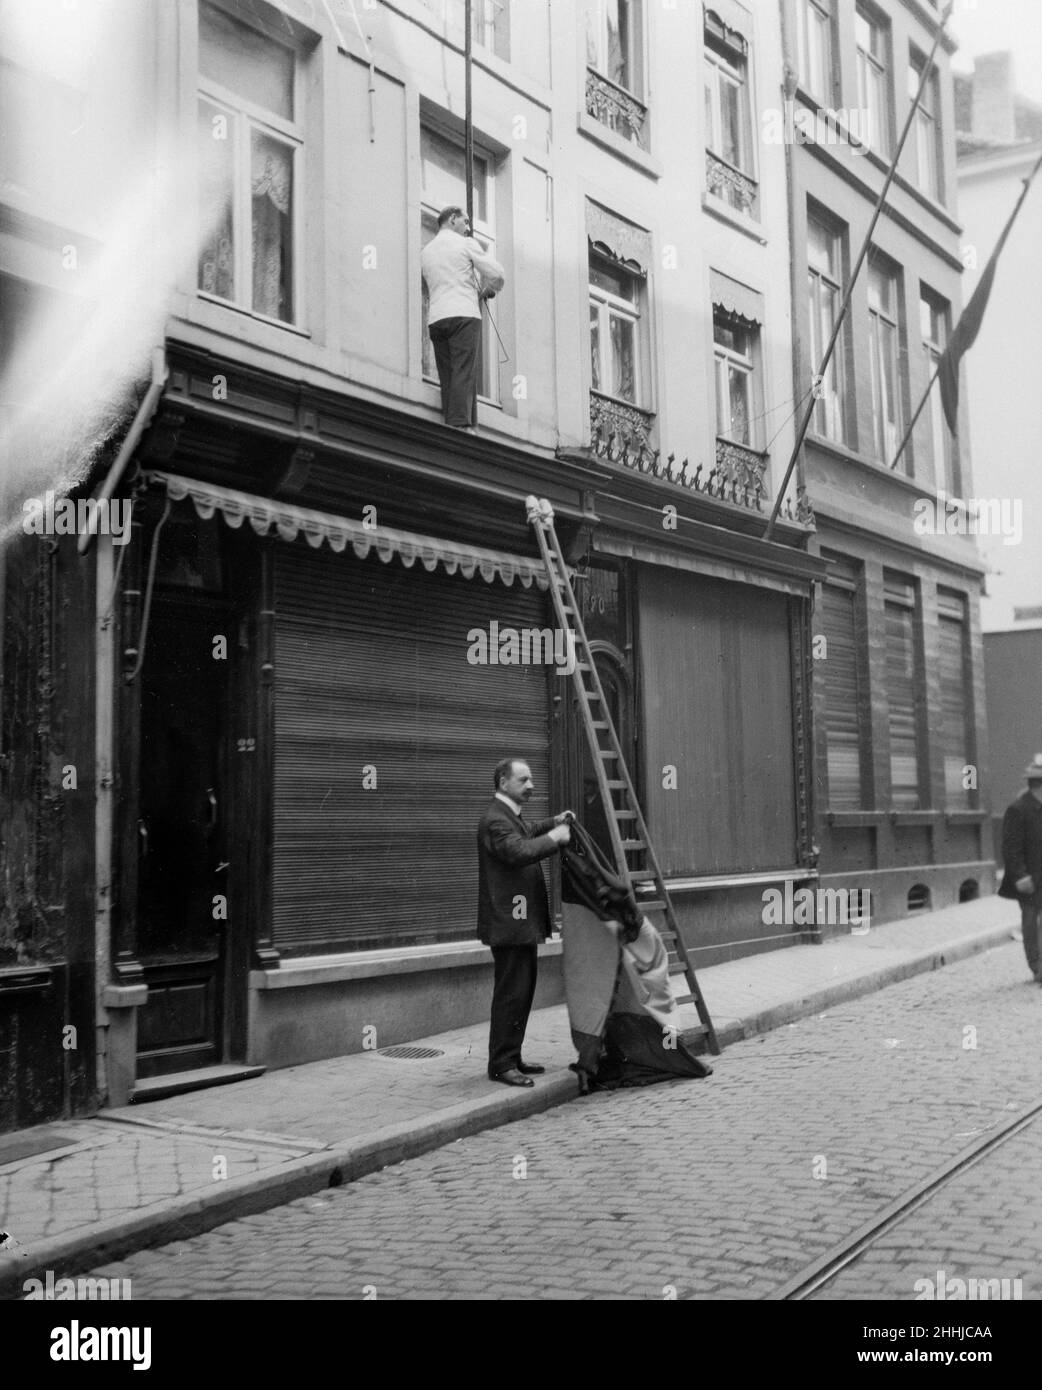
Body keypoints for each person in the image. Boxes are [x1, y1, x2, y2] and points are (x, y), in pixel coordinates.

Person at [476, 758, 571, 1087]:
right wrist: (556, 837)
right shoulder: (494, 820)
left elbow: (526, 833)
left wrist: (552, 822)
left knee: (521, 993)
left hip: (518, 925)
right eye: (524, 780)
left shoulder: (506, 815)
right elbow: (517, 851)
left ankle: (511, 1057)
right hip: (509, 926)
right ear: (504, 783)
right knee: (511, 995)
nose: (531, 786)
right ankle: (502, 1065)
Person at [420, 205, 505, 429]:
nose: (467, 228)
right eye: (466, 222)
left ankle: (451, 419)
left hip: (437, 318)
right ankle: (459, 426)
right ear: (453, 219)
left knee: (447, 374)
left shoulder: (426, 251)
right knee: (463, 371)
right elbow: (497, 273)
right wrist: (487, 288)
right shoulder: (466, 244)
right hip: (463, 315)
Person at [998, 754, 1042, 981]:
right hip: (1030, 879)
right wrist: (1020, 875)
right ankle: (1037, 967)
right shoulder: (1019, 809)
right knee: (1032, 922)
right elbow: (1010, 847)